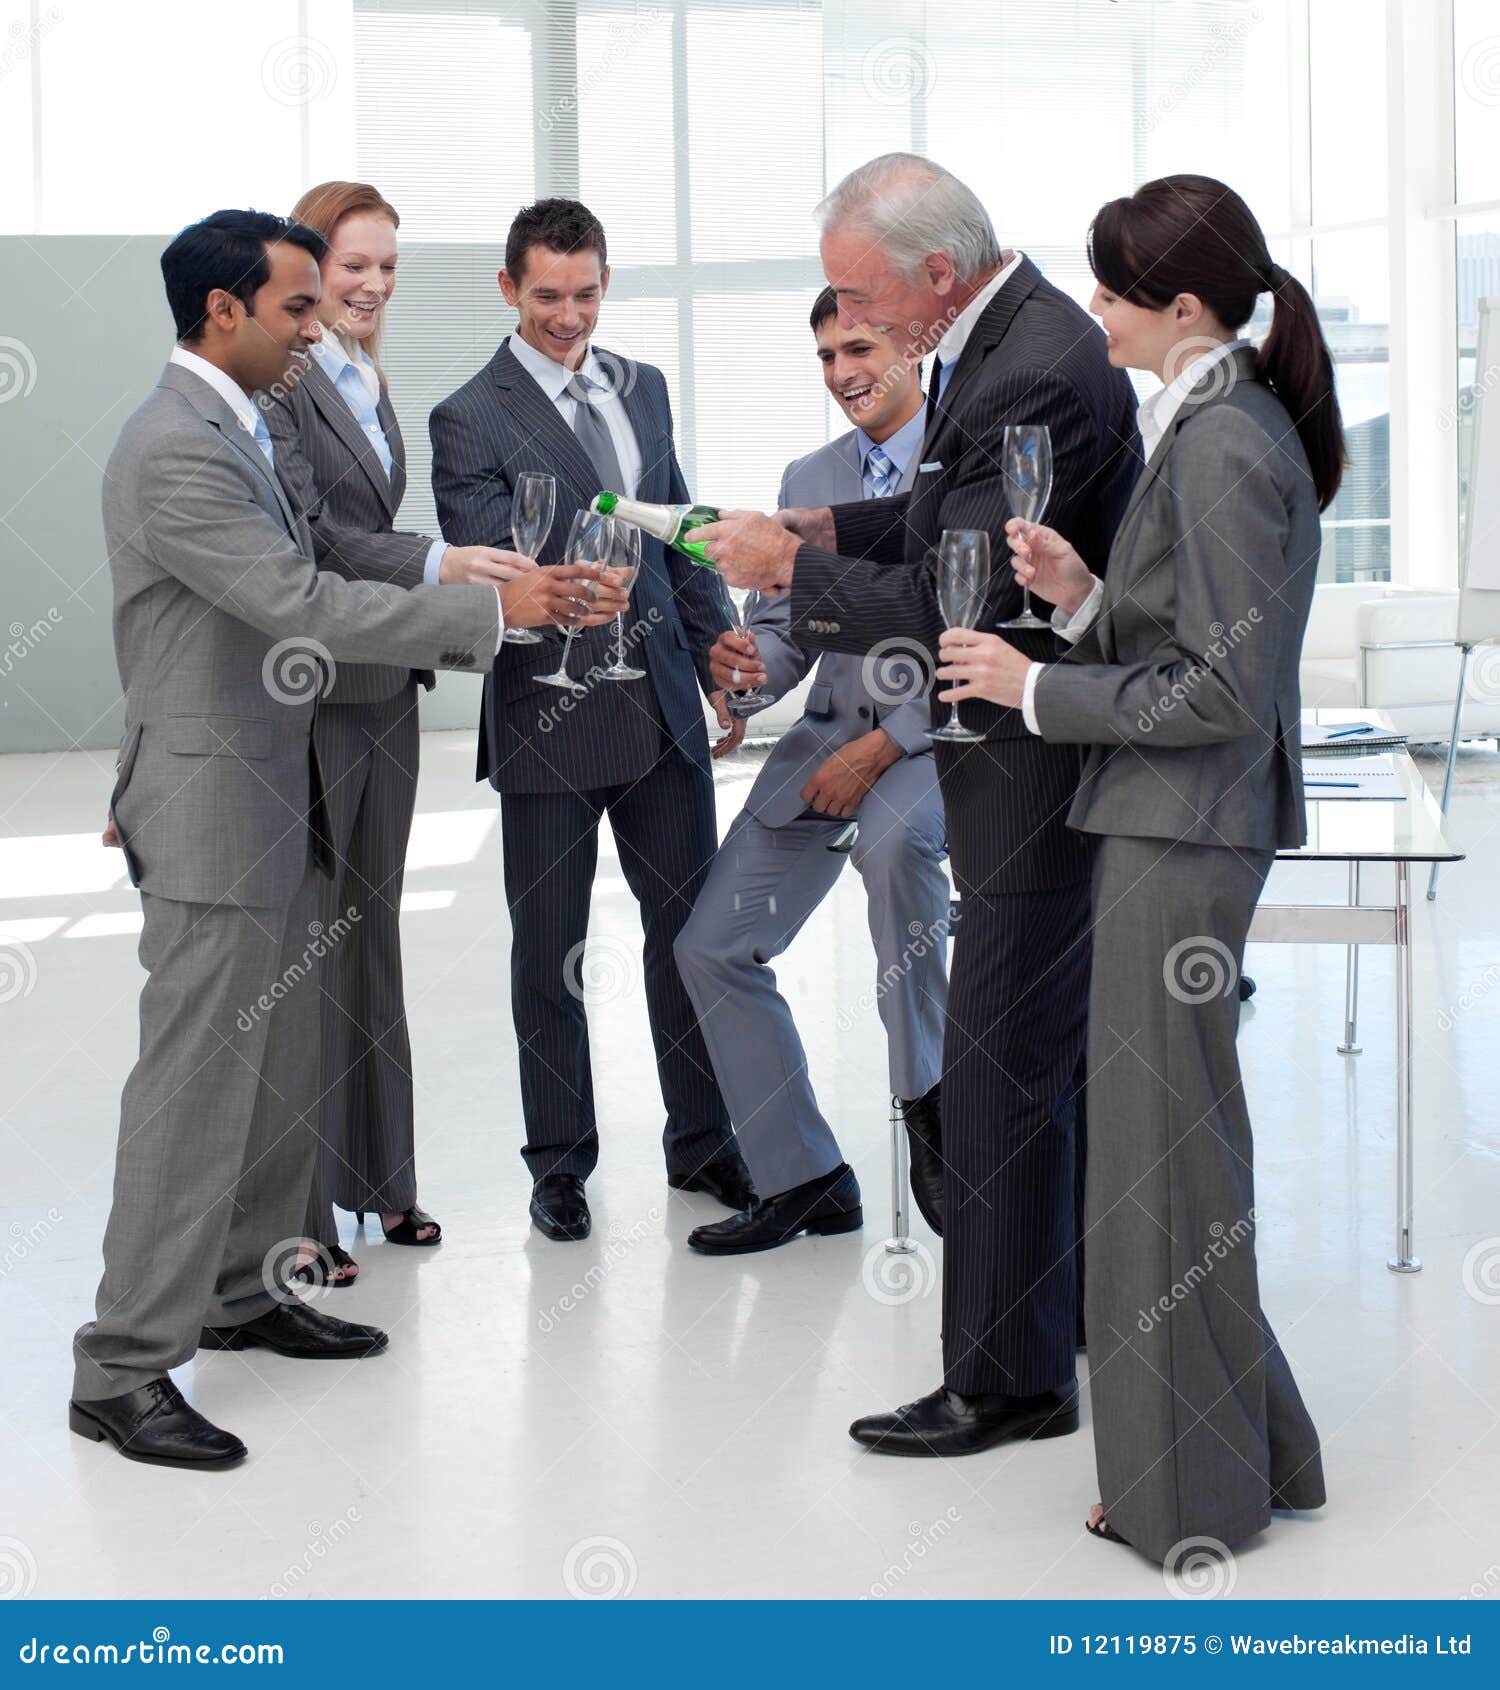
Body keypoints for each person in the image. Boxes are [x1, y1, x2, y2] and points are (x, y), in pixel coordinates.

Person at [75, 209, 626, 1470]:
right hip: (215, 804)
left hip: (278, 787)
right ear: (223, 311)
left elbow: (317, 555)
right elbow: (297, 599)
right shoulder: (177, 445)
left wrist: (462, 578)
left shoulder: (245, 423)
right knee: (193, 1086)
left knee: (276, 1064)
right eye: (295, 308)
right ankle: (121, 1366)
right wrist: (494, 613)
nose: (314, 328)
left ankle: (243, 1287)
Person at [697, 154, 1139, 1455]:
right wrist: (822, 533)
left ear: (936, 274)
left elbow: (968, 599)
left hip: (1021, 763)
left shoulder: (1027, 370)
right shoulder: (1002, 341)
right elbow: (950, 527)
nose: (849, 322)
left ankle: (1010, 1382)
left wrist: (792, 568)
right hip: (1018, 758)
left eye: (857, 296)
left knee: (1002, 1072)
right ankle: (1045, 1337)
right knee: (1022, 1066)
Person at [939, 175, 1335, 1564]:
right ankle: (1258, 1454)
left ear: (1181, 305)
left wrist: (1035, 688)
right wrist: (1084, 600)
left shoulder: (1221, 442)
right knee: (1176, 1155)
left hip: (1181, 833)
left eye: (1111, 292)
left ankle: (1189, 1499)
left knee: (1159, 1170)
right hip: (1178, 826)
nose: (1092, 313)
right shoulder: (1225, 419)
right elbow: (1191, 635)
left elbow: (1220, 690)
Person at [429, 198, 752, 1244]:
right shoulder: (466, 417)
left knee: (689, 939)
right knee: (550, 955)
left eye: (586, 293)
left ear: (606, 283)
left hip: (660, 706)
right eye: (547, 296)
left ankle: (703, 1141)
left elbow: (680, 532)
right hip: (548, 713)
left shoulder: (643, 388)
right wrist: (575, 583)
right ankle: (559, 1164)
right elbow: (498, 566)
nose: (569, 316)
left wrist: (718, 657)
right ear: (508, 290)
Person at [263, 181, 527, 1284]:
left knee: (371, 934)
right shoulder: (281, 384)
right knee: (309, 950)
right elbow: (316, 538)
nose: (371, 286)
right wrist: (440, 563)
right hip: (316, 690)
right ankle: (300, 1213)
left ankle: (382, 1176)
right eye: (352, 266)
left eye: (386, 269)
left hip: (383, 690)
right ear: (307, 271)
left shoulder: (366, 374)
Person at [676, 287, 949, 1253]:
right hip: (826, 739)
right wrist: (746, 673)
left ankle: (932, 1105)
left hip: (937, 738)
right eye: (828, 356)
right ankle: (806, 1176)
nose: (842, 373)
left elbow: (990, 625)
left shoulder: (968, 459)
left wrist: (890, 744)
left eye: (860, 348)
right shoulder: (809, 474)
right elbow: (788, 631)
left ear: (915, 344)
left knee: (894, 847)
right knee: (710, 946)